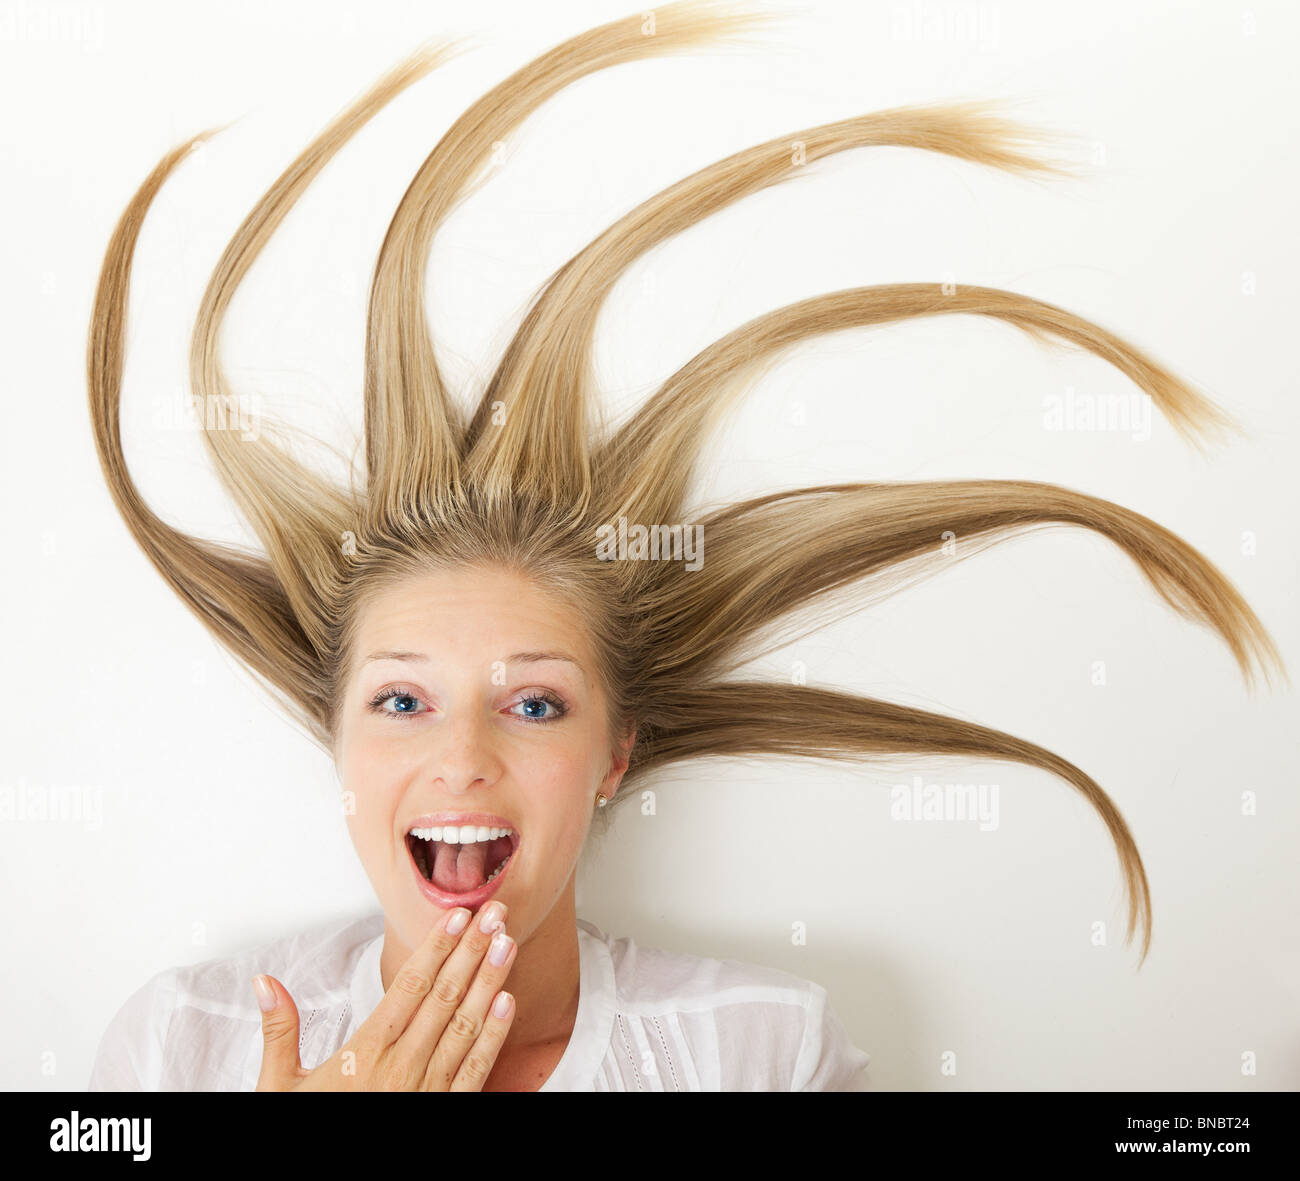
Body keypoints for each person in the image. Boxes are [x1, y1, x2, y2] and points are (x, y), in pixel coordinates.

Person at [83, 2, 1281, 1091]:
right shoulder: (178, 1044)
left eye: (537, 705)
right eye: (400, 698)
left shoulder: (761, 1049)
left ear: (616, 756)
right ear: (335, 742)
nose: (461, 758)